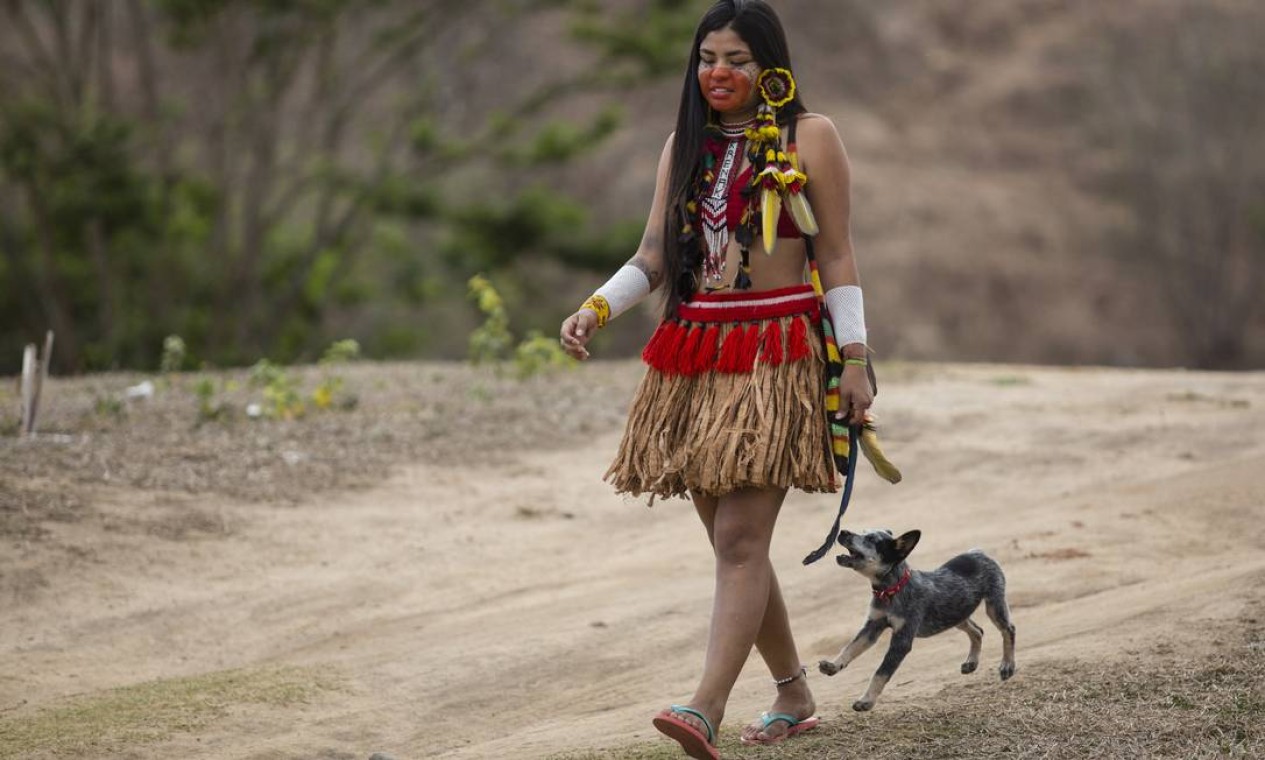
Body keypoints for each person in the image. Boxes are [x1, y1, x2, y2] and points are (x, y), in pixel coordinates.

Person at [559, 1, 873, 756]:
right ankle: (793, 692)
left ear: (769, 65)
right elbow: (653, 257)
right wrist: (596, 308)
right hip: (694, 355)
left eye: (735, 59)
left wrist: (857, 358)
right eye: (706, 59)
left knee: (738, 538)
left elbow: (835, 254)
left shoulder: (811, 136)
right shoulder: (685, 144)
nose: (718, 73)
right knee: (737, 546)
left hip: (778, 352)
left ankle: (704, 707)